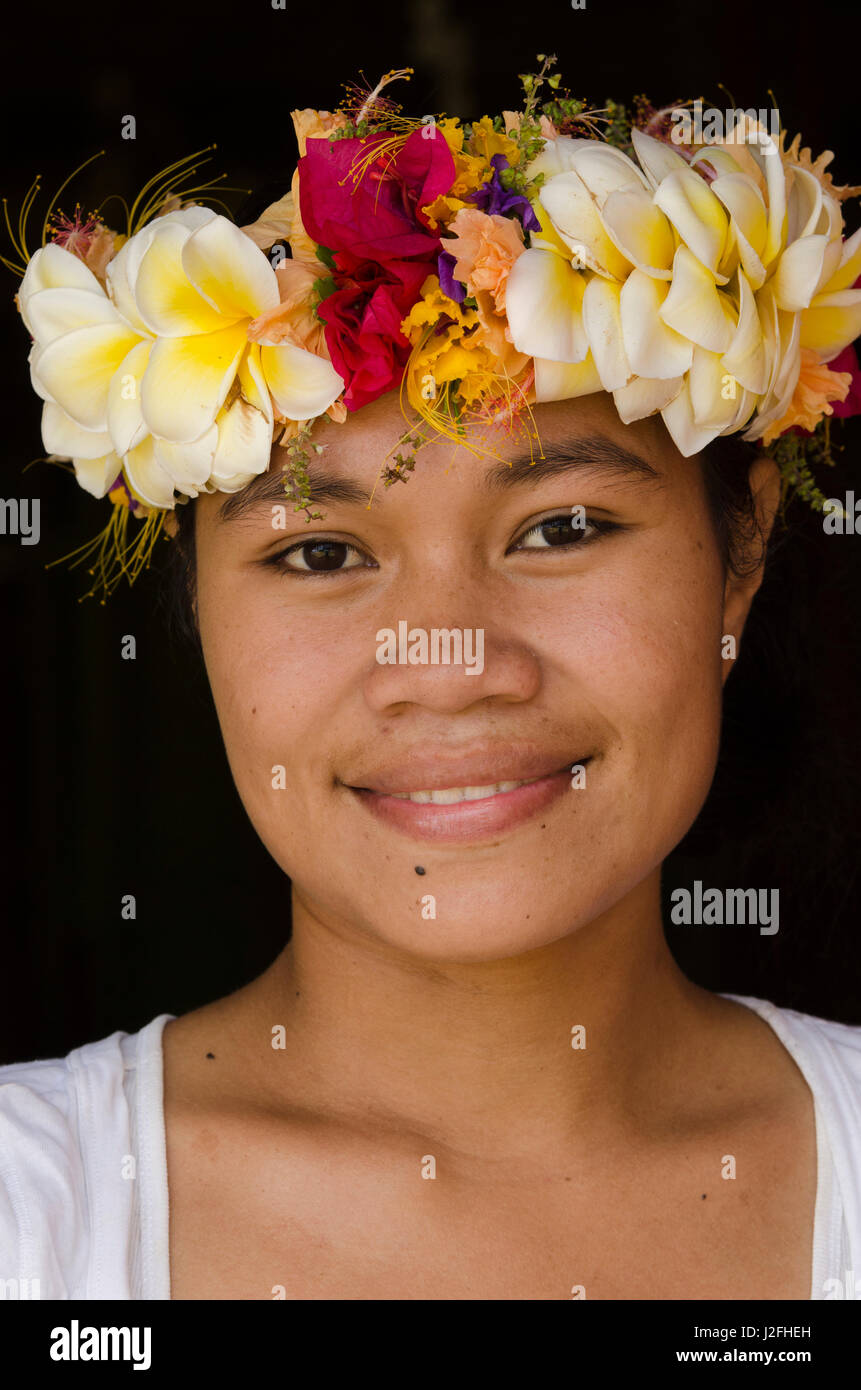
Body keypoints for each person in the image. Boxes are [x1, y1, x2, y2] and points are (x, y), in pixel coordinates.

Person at [2, 67, 860, 1300]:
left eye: (561, 529)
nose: (447, 666)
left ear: (744, 554)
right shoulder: (32, 1219)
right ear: (200, 604)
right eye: (318, 552)